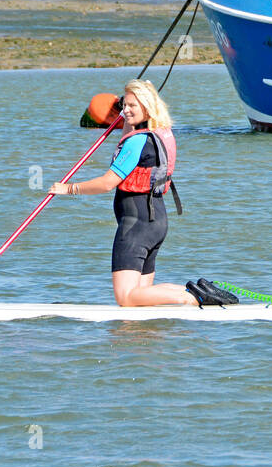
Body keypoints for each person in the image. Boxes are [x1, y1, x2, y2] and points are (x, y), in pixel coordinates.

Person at [50, 79, 235, 308]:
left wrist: (67, 189)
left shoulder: (137, 143)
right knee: (141, 296)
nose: (125, 111)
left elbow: (108, 183)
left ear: (147, 107)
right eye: (123, 105)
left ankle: (192, 298)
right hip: (156, 221)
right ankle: (200, 291)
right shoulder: (161, 131)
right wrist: (142, 95)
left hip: (136, 226)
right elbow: (129, 137)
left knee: (126, 298)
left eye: (131, 106)